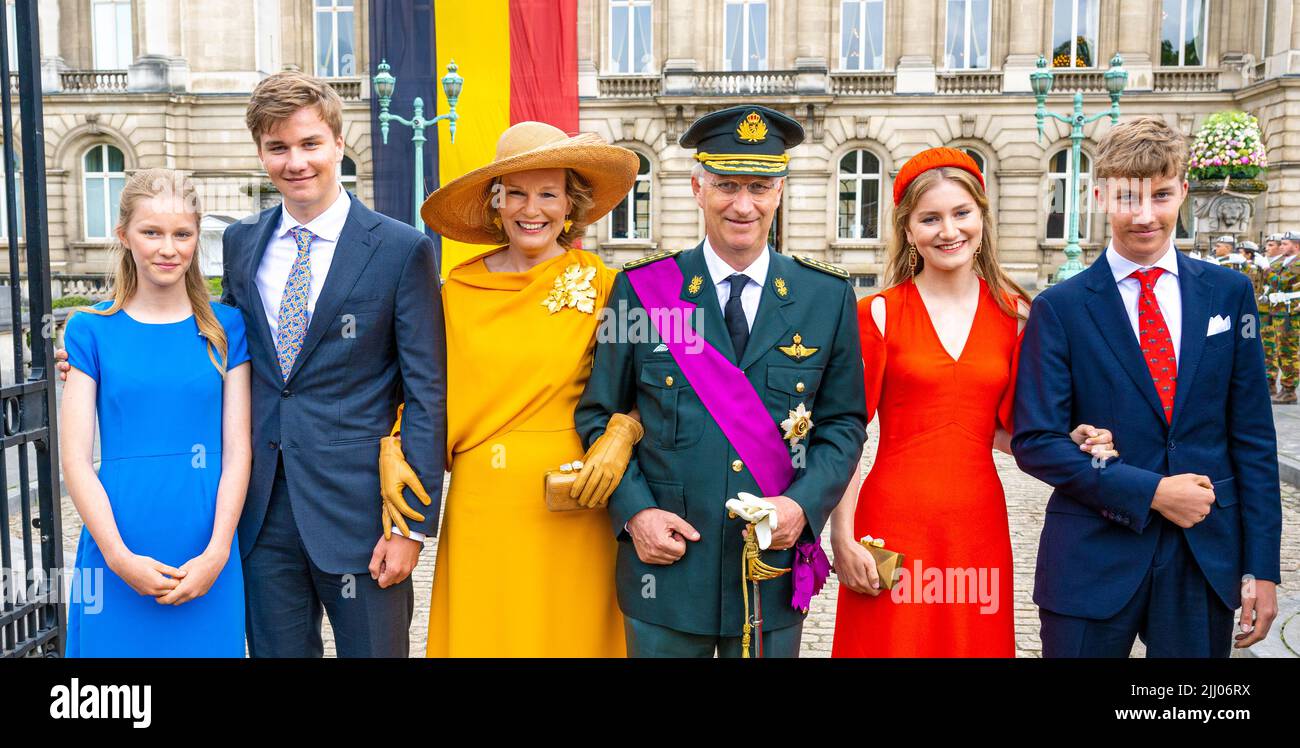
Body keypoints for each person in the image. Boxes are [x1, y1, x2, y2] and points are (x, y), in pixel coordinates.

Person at [56, 71, 449, 656]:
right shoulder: (242, 243)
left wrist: (410, 528)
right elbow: (209, 344)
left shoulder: (400, 249)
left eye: (310, 143)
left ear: (338, 143)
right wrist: (95, 357)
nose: (296, 161)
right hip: (259, 518)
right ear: (262, 154)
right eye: (278, 147)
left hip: (362, 515)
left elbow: (427, 394)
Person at [574, 106, 868, 658]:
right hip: (665, 572)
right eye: (726, 185)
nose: (742, 205)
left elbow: (843, 424)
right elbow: (598, 414)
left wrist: (803, 506)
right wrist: (635, 513)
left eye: (759, 187)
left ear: (779, 192)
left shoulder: (826, 297)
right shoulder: (641, 291)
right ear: (697, 188)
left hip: (768, 572)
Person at [828, 148, 1116, 658]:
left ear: (982, 217)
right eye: (930, 218)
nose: (949, 230)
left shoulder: (1017, 315)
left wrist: (1071, 439)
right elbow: (845, 434)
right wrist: (843, 536)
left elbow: (1010, 433)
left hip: (976, 523)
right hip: (893, 519)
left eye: (961, 213)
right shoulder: (877, 314)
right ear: (908, 229)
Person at [1014, 117, 1281, 657]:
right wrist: (1153, 492)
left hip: (1202, 556)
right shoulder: (1059, 308)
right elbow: (1036, 441)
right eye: (1127, 197)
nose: (1144, 215)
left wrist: (1262, 567)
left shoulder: (1230, 294)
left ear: (1183, 191)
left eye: (1160, 195)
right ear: (1098, 197)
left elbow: (1254, 439)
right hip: (1092, 553)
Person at [381, 122, 641, 656]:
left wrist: (625, 431)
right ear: (495, 204)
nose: (532, 209)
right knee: (489, 633)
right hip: (484, 498)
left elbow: (649, 384)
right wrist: (395, 441)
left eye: (549, 194)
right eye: (516, 193)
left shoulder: (606, 286)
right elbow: (423, 386)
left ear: (571, 204)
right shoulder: (456, 289)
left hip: (576, 495)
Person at [60, 168, 251, 656]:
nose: (168, 248)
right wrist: (117, 557)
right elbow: (75, 459)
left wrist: (216, 554)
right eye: (151, 232)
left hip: (206, 544)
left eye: (182, 234)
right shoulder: (88, 329)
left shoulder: (227, 328)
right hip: (117, 539)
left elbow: (238, 452)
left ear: (196, 239)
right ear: (124, 236)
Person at [1273, 232, 1300, 404]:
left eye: (1285, 244)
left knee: (1289, 352)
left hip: (1292, 313)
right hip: (1281, 311)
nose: (1281, 246)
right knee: (1282, 351)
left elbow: (1280, 282)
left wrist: (1267, 269)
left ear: (1296, 246)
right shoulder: (1283, 262)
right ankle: (1285, 387)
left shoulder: (1297, 263)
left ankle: (1290, 390)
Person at [1262, 234, 1286, 393]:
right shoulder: (1270, 262)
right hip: (1264, 310)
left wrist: (1266, 269)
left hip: (1276, 312)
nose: (1267, 248)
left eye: (1271, 245)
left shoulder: (1283, 264)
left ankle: (1272, 383)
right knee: (1265, 347)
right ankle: (1267, 381)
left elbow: (1279, 283)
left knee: (1274, 348)